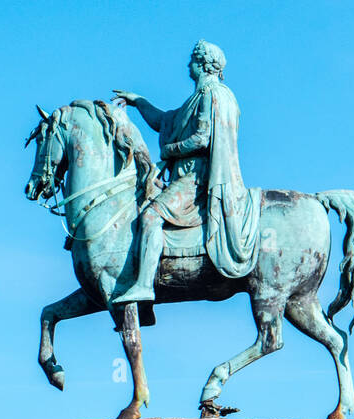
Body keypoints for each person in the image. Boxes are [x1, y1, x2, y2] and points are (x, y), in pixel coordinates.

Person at [111, 39, 260, 304]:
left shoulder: (213, 95)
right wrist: (139, 102)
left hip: (196, 179)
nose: (188, 64)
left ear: (202, 65)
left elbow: (202, 138)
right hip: (184, 177)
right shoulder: (197, 98)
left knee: (150, 217)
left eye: (192, 60)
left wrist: (169, 150)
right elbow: (164, 120)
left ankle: (145, 285)